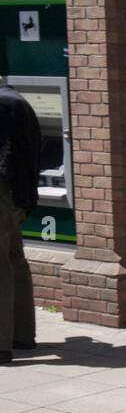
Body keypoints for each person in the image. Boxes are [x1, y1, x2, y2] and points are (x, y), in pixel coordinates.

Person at [0, 77, 41, 364]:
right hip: (19, 195)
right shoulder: (18, 101)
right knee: (15, 259)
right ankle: (23, 334)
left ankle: (2, 344)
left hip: (2, 191)